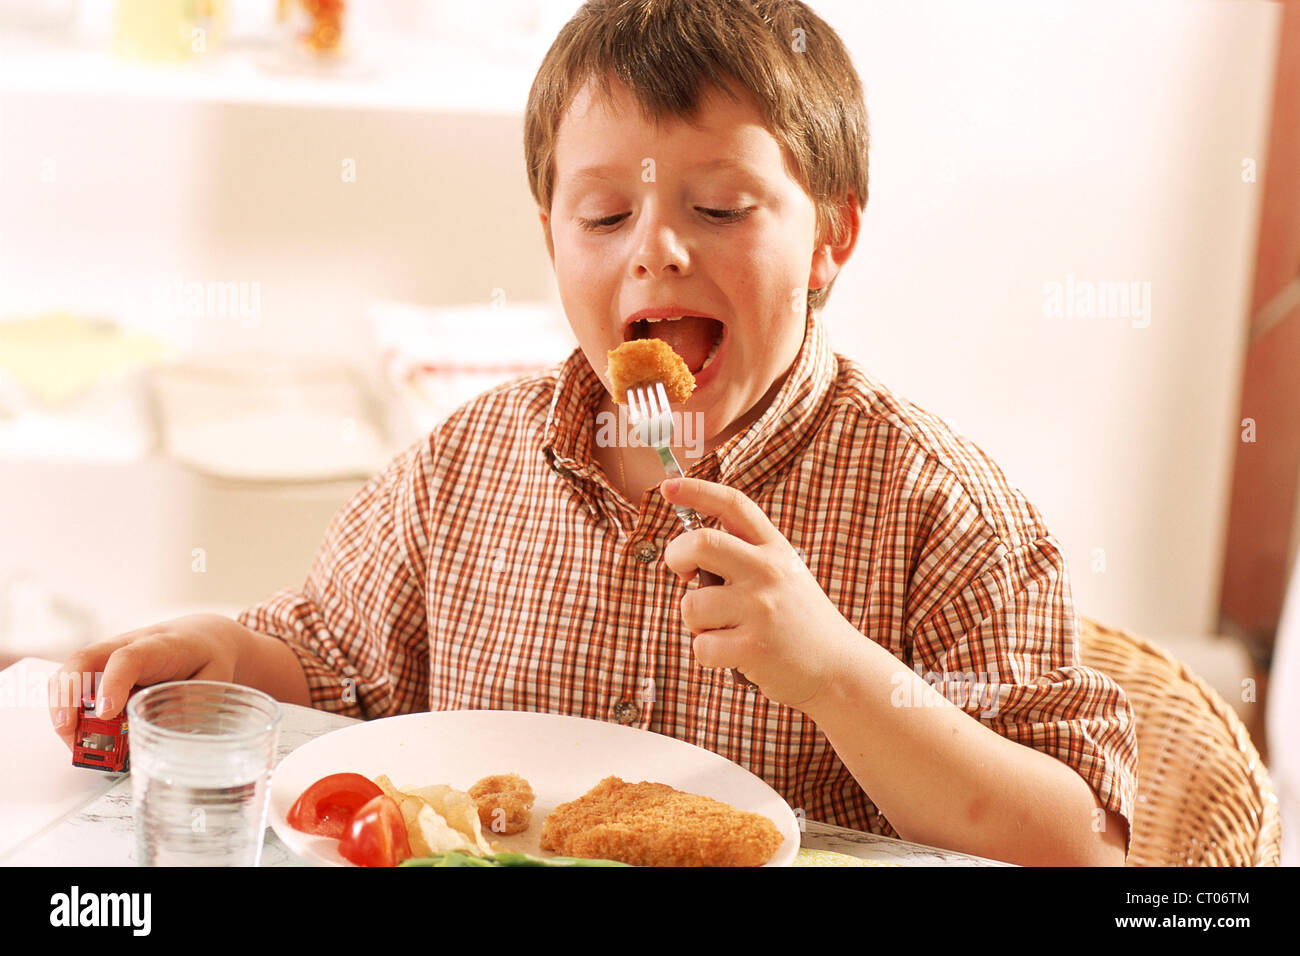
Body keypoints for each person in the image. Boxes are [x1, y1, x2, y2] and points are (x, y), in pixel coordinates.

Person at [49, 0, 1135, 866]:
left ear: (830, 238)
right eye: (605, 215)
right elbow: (335, 668)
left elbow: (1079, 845)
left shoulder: (937, 506)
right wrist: (220, 655)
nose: (654, 250)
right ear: (549, 235)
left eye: (719, 208)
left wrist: (834, 673)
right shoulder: (463, 464)